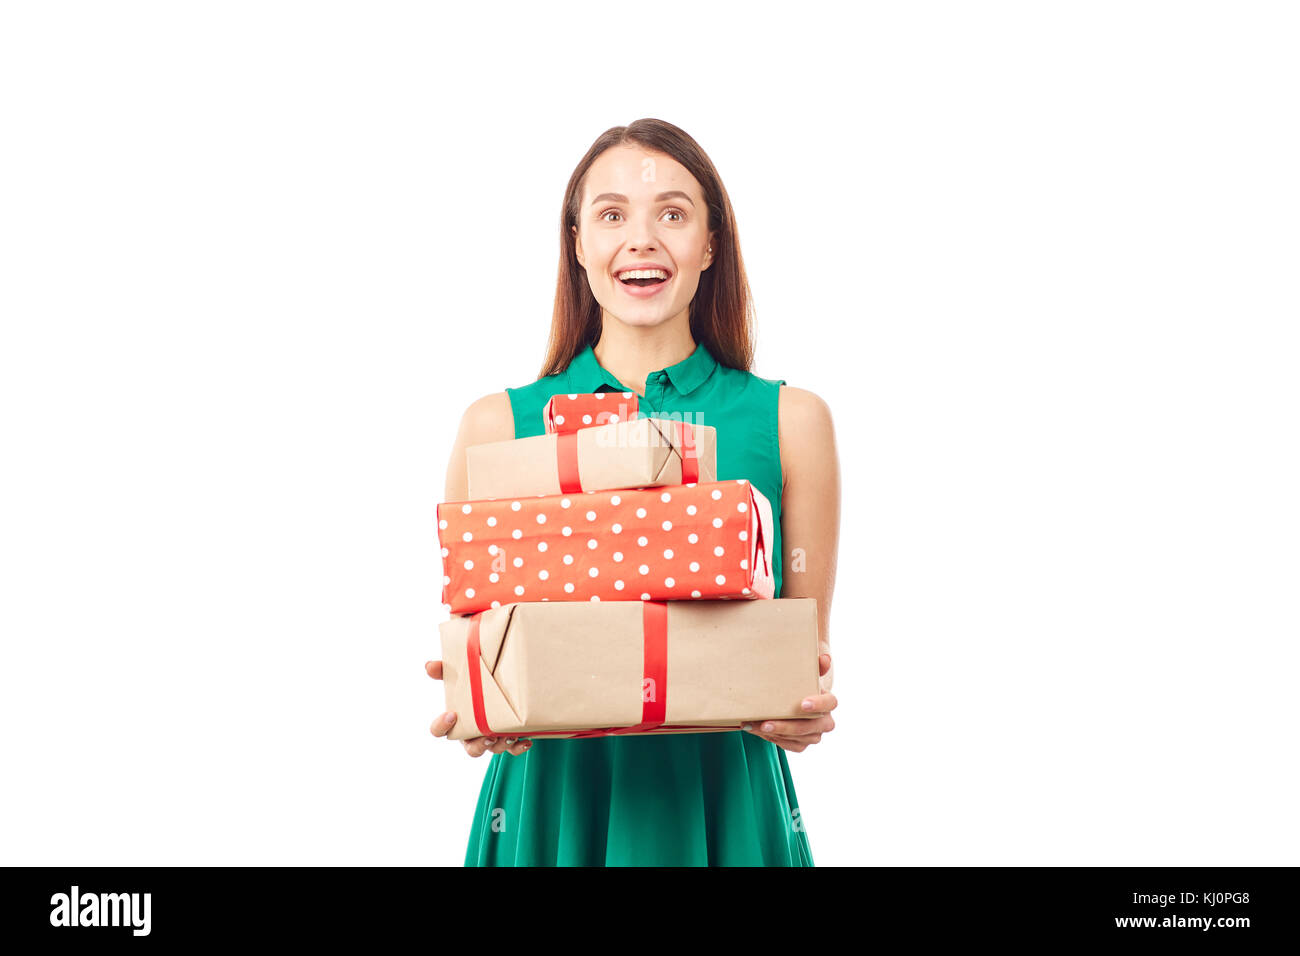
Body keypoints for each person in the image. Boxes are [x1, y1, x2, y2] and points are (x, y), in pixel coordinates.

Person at [426, 118, 841, 866]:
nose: (642, 239)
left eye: (673, 214)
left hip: (724, 801)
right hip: (556, 805)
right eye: (611, 215)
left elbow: (803, 659)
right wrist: (476, 698)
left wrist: (803, 711)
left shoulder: (791, 422)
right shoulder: (497, 426)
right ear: (578, 242)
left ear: (710, 244)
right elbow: (472, 655)